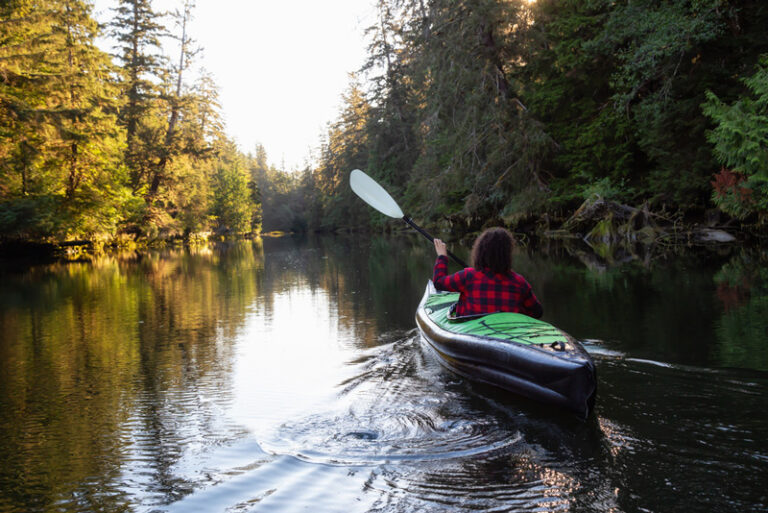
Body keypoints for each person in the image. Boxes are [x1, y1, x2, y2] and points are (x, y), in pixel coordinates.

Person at [432, 227, 543, 319]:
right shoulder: (519, 282)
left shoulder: (469, 276)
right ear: (507, 254)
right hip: (509, 333)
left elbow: (438, 282)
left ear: (480, 251)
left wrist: (442, 257)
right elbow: (537, 312)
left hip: (472, 333)